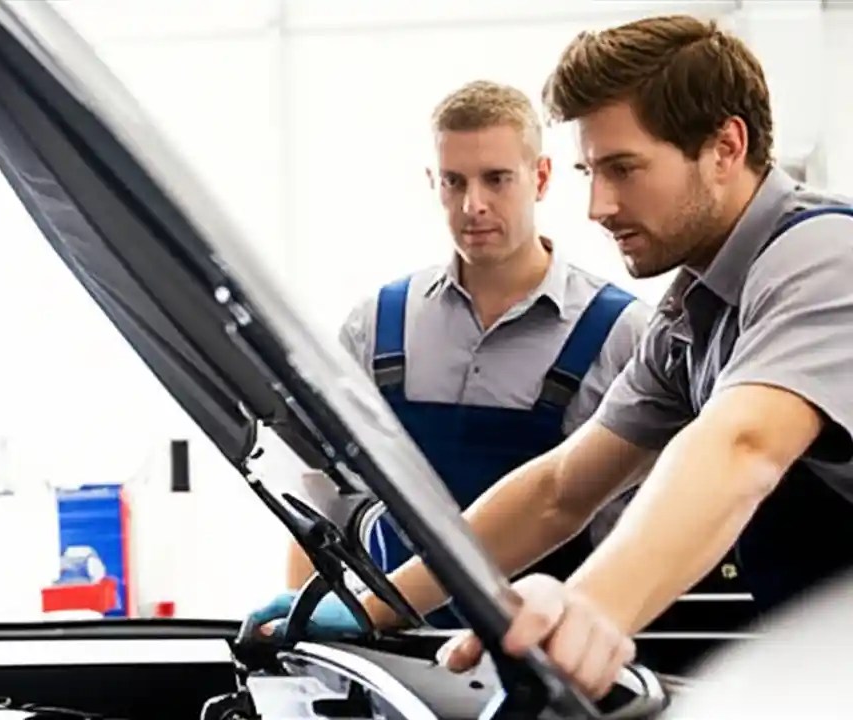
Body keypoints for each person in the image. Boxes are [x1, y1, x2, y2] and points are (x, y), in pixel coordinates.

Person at [263, 14, 853, 702]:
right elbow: (560, 491)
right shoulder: (692, 314)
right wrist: (382, 601)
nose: (599, 205)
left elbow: (742, 445)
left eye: (624, 169)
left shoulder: (822, 258)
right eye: (590, 171)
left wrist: (590, 612)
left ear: (726, 145)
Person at [275, 80, 654, 629]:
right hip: (396, 656)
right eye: (454, 182)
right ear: (434, 182)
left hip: (547, 667)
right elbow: (319, 508)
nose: (473, 204)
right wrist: (303, 628)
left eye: (496, 179)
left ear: (540, 177)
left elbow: (638, 532)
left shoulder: (624, 335)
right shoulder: (377, 328)